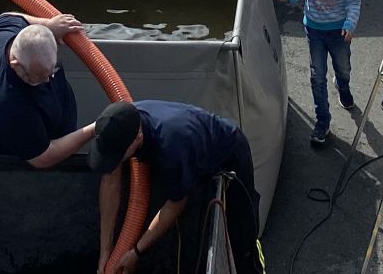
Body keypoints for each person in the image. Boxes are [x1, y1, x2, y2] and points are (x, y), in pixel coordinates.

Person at [90, 99, 262, 274]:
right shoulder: (120, 122)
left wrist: (136, 252)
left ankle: (252, 265)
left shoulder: (171, 148)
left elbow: (174, 205)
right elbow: (110, 179)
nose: (113, 160)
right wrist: (105, 252)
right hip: (187, 148)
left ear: (138, 139)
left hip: (228, 155)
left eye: (116, 156)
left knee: (241, 236)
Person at [271, 0, 361, 148]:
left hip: (338, 32)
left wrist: (349, 25)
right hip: (313, 29)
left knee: (343, 67)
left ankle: (343, 85)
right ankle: (323, 122)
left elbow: (354, 1)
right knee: (316, 76)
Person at [0, 13, 94, 165]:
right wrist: (93, 130)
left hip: (50, 130)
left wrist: (49, 24)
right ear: (15, 65)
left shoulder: (6, 31)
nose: (46, 80)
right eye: (38, 76)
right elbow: (42, 158)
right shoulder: (6, 103)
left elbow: (7, 16)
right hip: (15, 163)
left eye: (52, 72)